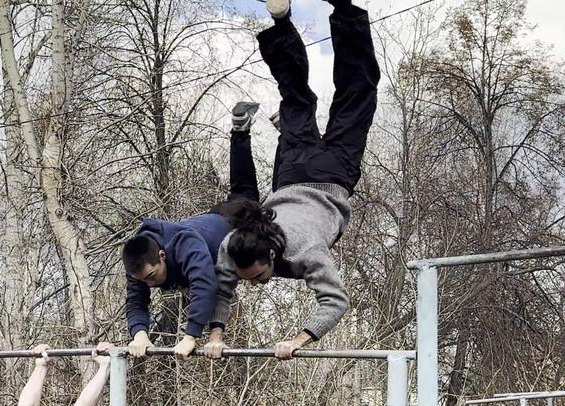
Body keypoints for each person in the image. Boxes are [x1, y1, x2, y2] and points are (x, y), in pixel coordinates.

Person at [203, 0, 379, 361]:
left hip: (333, 174)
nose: (252, 283)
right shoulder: (234, 245)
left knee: (356, 96)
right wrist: (216, 335)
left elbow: (336, 300)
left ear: (271, 253)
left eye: (256, 275)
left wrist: (298, 340)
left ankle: (336, 9)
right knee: (295, 99)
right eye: (248, 278)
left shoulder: (304, 249)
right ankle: (281, 21)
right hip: (291, 171)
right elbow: (222, 286)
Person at [123, 102, 262, 358]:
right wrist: (139, 333)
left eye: (152, 277)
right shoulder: (140, 263)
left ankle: (274, 132)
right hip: (214, 219)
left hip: (237, 223)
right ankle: (244, 130)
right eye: (145, 281)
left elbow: (205, 283)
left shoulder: (183, 243)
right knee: (241, 189)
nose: (151, 285)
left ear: (162, 255)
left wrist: (191, 335)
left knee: (250, 192)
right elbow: (136, 300)